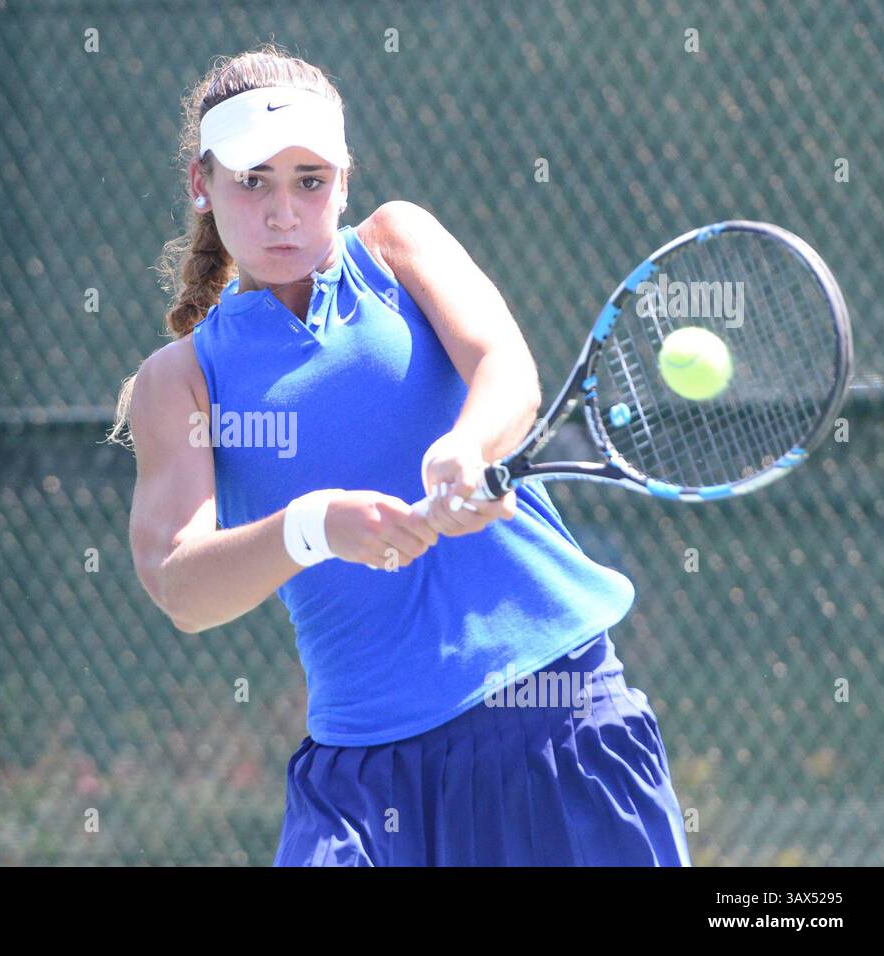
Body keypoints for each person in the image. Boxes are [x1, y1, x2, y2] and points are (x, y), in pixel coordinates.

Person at [112, 44, 691, 866]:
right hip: (361, 781)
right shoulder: (180, 383)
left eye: (309, 181)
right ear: (201, 186)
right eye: (254, 182)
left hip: (555, 723)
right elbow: (181, 585)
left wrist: (465, 447)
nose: (283, 213)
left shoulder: (396, 244)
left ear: (343, 183)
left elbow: (505, 368)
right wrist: (313, 527)